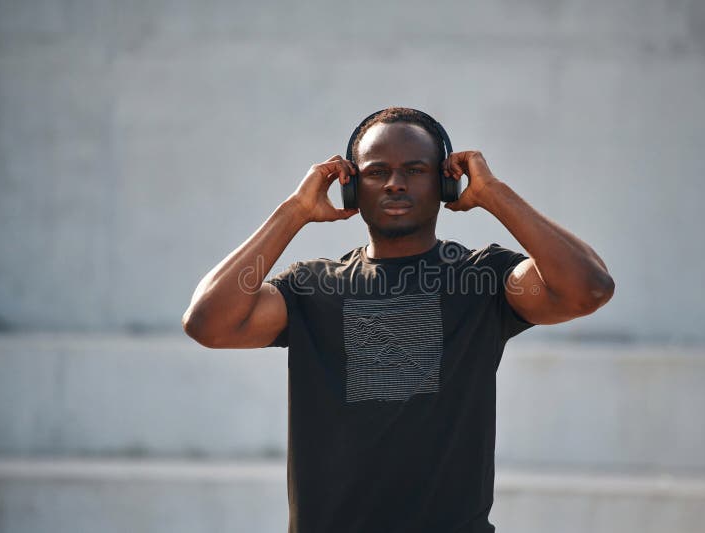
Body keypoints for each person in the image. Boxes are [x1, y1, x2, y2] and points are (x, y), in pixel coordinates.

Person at [182, 107, 614, 532]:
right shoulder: (311, 289)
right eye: (376, 172)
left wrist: (494, 194)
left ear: (446, 183)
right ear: (352, 188)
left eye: (415, 170)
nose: (395, 183)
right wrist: (294, 210)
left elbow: (588, 288)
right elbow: (207, 322)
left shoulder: (484, 279)